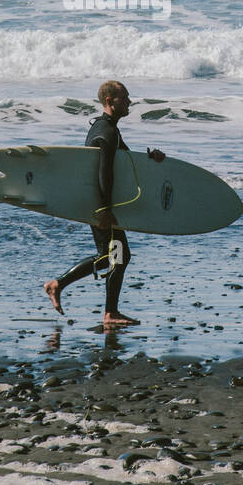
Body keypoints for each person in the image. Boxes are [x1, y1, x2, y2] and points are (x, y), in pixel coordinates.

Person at [44, 80, 165, 326]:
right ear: (110, 101)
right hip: (102, 206)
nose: (130, 101)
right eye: (125, 97)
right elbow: (103, 174)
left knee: (112, 256)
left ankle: (61, 285)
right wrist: (104, 211)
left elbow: (128, 162)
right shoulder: (106, 131)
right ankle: (108, 312)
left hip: (102, 205)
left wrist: (152, 158)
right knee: (117, 256)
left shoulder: (107, 128)